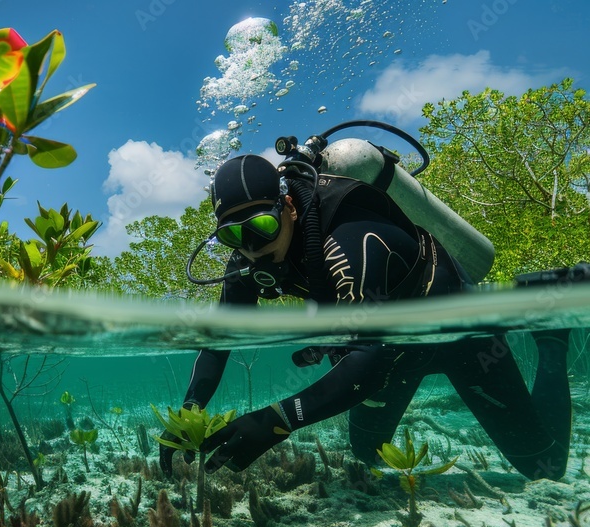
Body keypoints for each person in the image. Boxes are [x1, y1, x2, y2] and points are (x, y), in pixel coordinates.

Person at [159, 153, 575, 482]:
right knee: (367, 454)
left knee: (546, 466)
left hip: (460, 337)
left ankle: (552, 336)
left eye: (262, 225)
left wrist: (278, 419)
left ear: (287, 206)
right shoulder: (246, 262)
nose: (251, 247)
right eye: (233, 235)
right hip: (394, 354)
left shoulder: (348, 237)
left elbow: (368, 358)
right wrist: (189, 411)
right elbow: (219, 341)